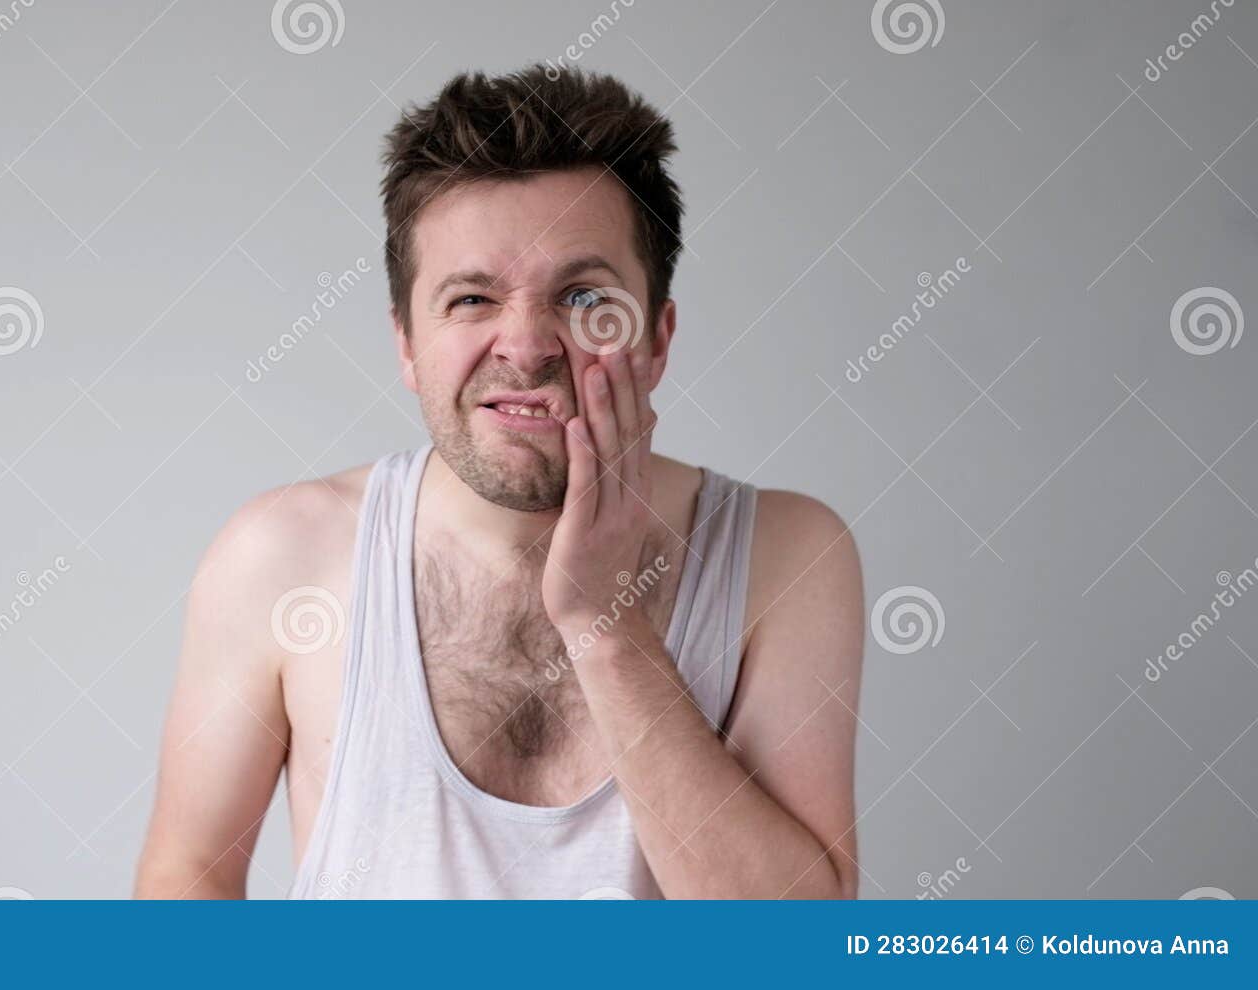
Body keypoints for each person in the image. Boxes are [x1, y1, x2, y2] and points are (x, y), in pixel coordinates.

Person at [134, 65, 864, 899]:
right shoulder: (282, 556)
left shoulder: (787, 555)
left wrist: (608, 626)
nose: (526, 346)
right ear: (406, 341)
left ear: (658, 338)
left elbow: (799, 948)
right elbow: (184, 881)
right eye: (473, 298)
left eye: (584, 297)